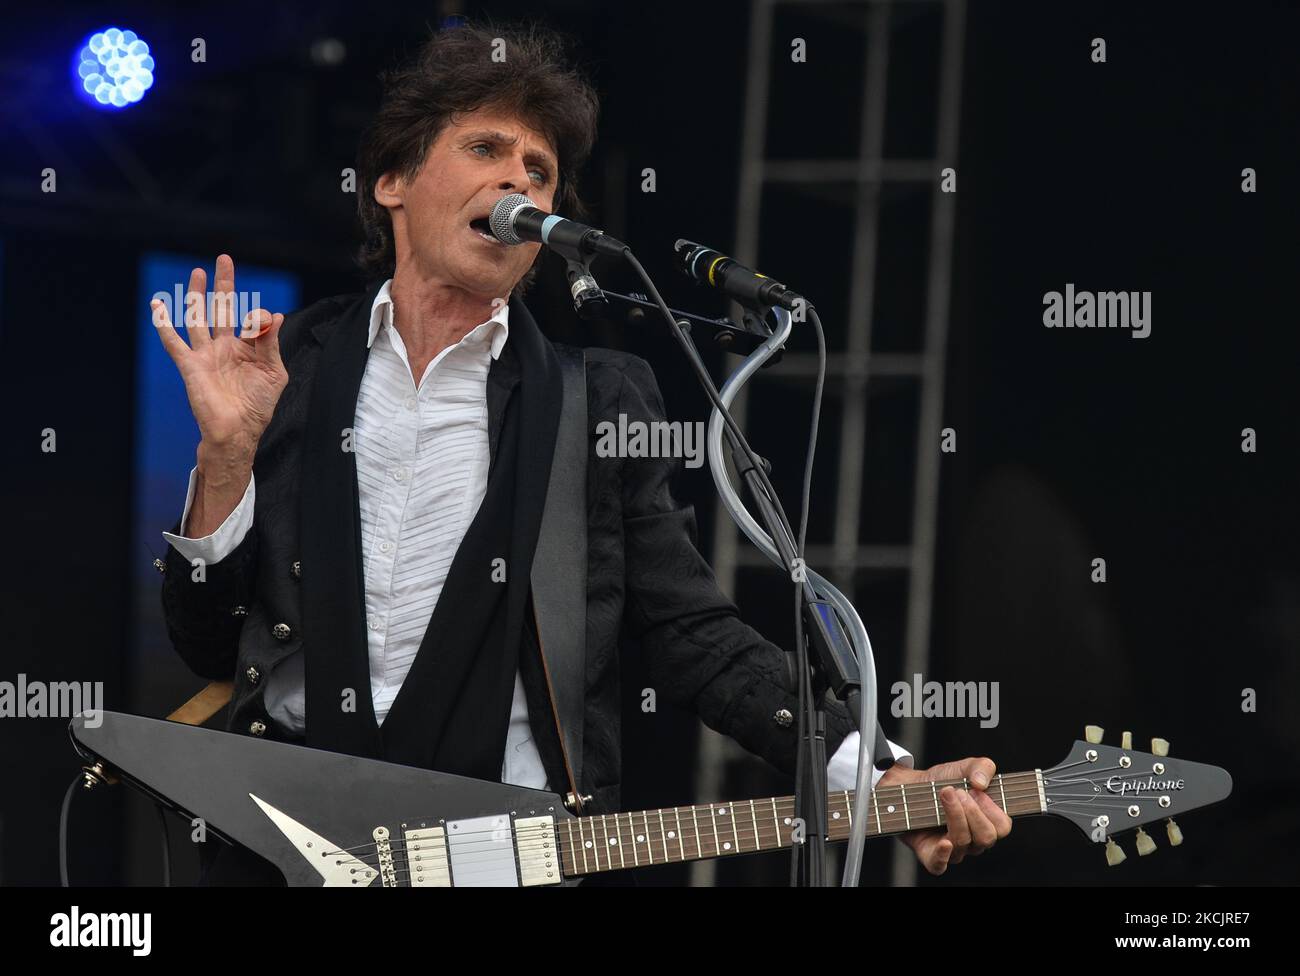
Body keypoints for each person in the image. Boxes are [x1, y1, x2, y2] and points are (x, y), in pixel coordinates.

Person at [151, 21, 1009, 885]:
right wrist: (227, 456)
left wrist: (883, 775)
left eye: (540, 171)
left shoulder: (592, 401)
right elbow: (203, 646)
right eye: (485, 147)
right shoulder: (292, 365)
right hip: (285, 849)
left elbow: (693, 634)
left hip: (499, 856)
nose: (517, 179)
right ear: (393, 182)